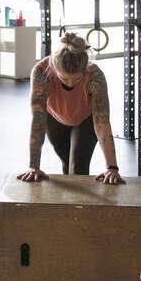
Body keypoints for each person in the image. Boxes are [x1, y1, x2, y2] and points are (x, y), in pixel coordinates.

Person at [17, 32, 124, 184]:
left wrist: (112, 167)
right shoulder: (41, 72)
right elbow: (38, 120)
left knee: (78, 169)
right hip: (54, 119)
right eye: (65, 78)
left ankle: (84, 207)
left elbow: (102, 122)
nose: (71, 84)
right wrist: (33, 166)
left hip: (85, 120)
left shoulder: (95, 76)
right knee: (67, 165)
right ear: (54, 66)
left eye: (77, 78)